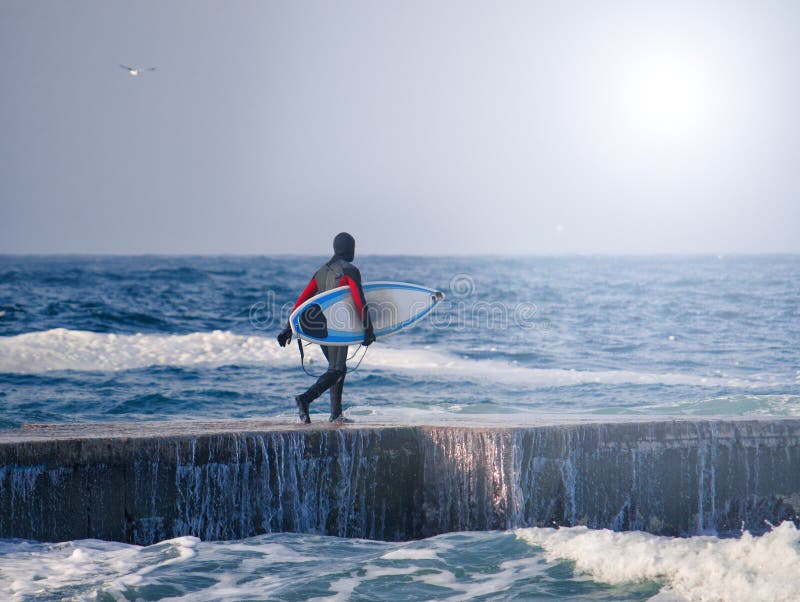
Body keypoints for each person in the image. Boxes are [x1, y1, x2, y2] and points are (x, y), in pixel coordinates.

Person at [277, 232, 375, 423]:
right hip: (338, 327)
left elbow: (301, 302)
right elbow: (359, 301)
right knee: (337, 370)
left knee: (337, 368)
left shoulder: (320, 272)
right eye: (353, 247)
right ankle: (305, 399)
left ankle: (336, 414)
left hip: (321, 329)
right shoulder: (350, 270)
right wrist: (368, 330)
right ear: (348, 249)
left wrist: (287, 327)